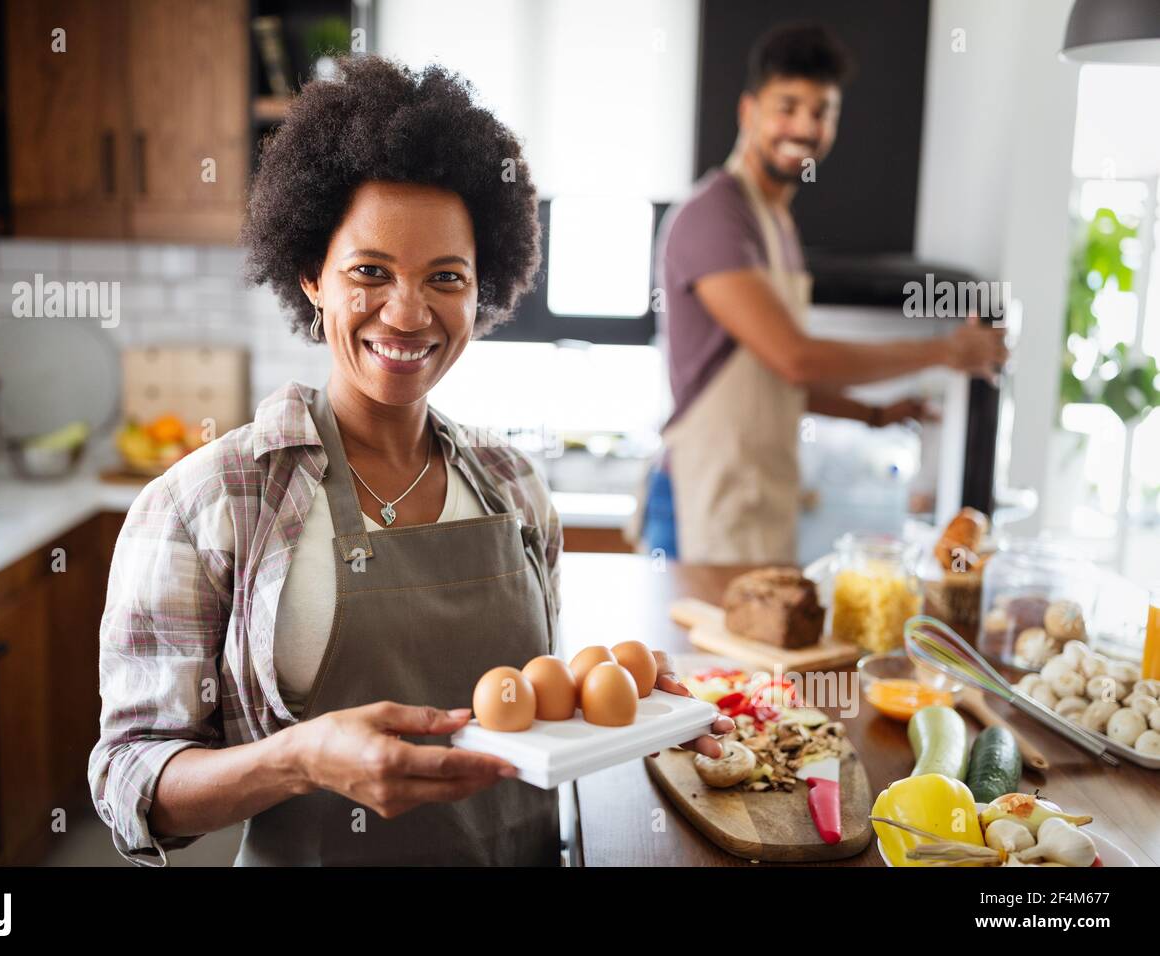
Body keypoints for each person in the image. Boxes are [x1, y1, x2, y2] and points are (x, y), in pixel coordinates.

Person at [89, 55, 731, 867]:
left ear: (482, 291)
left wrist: (623, 698)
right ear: (310, 274)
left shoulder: (514, 487)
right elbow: (128, 781)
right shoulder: (208, 501)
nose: (407, 312)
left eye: (445, 278)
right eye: (369, 272)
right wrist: (300, 759)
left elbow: (521, 711)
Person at [648, 23, 1008, 564]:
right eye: (787, 106)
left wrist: (874, 415)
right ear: (749, 112)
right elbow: (795, 359)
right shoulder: (714, 216)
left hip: (753, 495)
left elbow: (766, 381)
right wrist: (946, 350)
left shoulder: (778, 226)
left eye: (822, 111)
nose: (804, 126)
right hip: (701, 500)